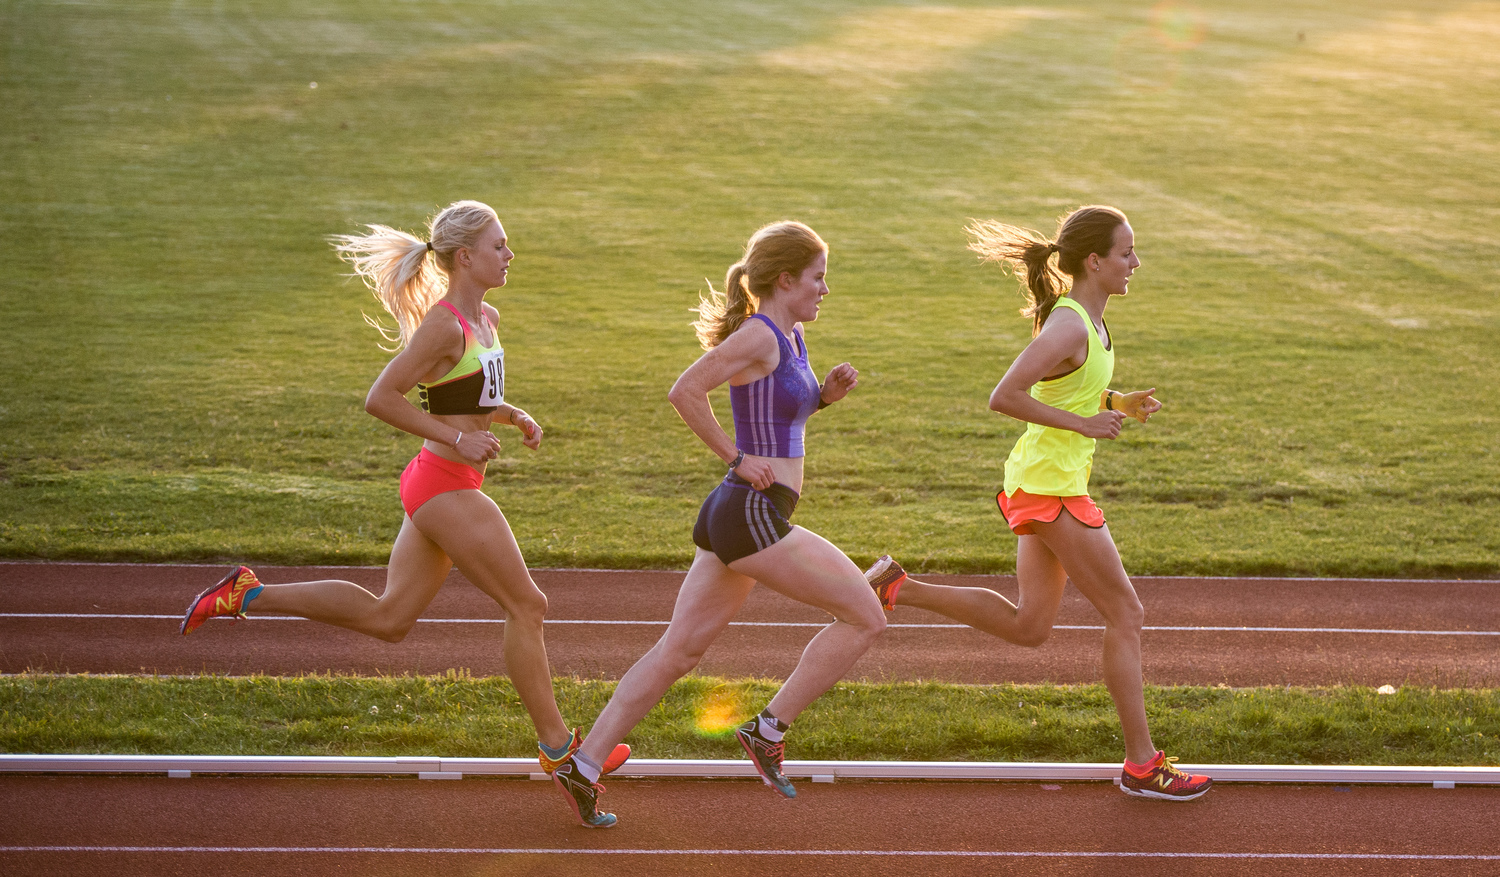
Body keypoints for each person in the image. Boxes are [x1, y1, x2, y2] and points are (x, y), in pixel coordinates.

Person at [179, 200, 626, 777]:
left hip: (443, 479)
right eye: (499, 246)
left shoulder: (485, 321)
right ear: (465, 258)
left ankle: (247, 593)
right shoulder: (443, 324)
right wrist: (456, 440)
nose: (510, 255)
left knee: (390, 619)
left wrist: (512, 415)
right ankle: (560, 750)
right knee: (527, 604)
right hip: (442, 483)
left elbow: (466, 394)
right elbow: (381, 398)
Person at [864, 205, 1211, 801]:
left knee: (1030, 627)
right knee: (1126, 614)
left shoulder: (1088, 323)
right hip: (1050, 487)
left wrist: (1117, 401)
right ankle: (1142, 765)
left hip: (1047, 481)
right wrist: (1085, 425)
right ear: (1095, 261)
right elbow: (1004, 395)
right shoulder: (1071, 324)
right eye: (1127, 253)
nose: (1136, 262)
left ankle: (897, 587)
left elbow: (1067, 385)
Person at [549, 221, 887, 828]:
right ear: (785, 280)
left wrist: (825, 397)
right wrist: (735, 457)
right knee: (866, 614)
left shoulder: (792, 333)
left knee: (679, 651)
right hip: (749, 512)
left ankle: (586, 764)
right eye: (817, 278)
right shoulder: (758, 335)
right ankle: (768, 730)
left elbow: (782, 413)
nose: (825, 290)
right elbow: (685, 391)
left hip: (742, 512)